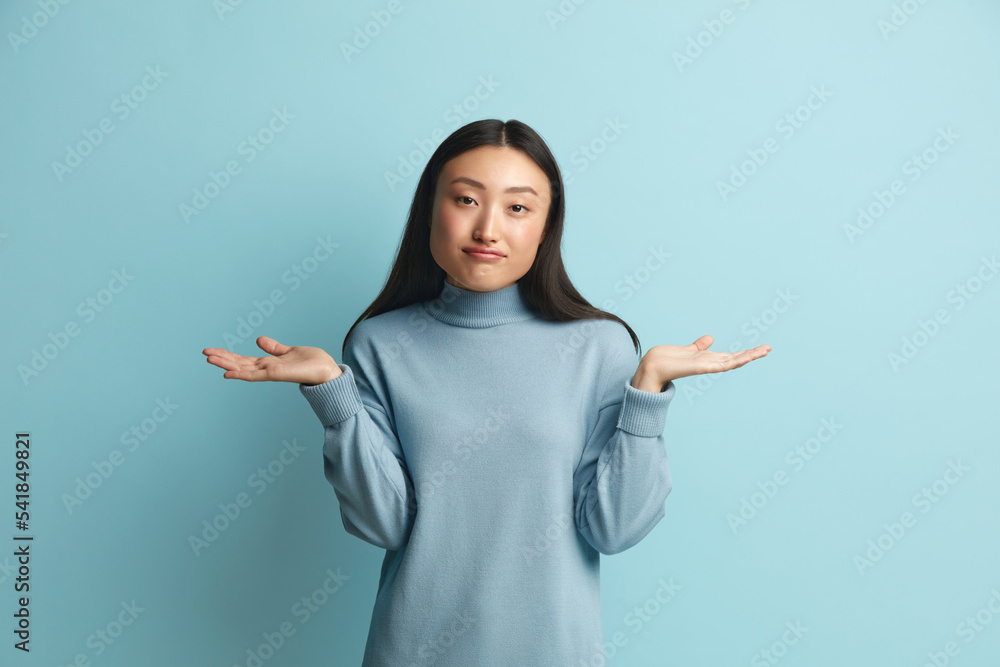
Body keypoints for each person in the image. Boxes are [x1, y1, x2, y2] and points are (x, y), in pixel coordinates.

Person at [202, 119, 770, 666]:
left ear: (546, 227)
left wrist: (648, 393)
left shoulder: (600, 347)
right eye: (466, 200)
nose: (488, 229)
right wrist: (334, 394)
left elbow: (613, 529)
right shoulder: (379, 344)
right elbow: (385, 525)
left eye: (518, 207)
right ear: (431, 211)